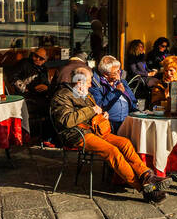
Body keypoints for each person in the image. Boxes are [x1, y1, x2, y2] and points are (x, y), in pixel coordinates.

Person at [51, 69, 164, 202]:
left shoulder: (83, 93)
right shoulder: (62, 96)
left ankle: (146, 175)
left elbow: (94, 112)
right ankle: (145, 188)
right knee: (112, 151)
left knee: (125, 143)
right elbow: (66, 120)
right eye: (88, 82)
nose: (90, 85)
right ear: (79, 82)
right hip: (76, 134)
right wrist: (92, 110)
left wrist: (102, 115)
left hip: (95, 130)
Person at [90, 56, 137, 129]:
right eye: (116, 72)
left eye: (119, 70)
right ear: (105, 74)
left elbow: (132, 99)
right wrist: (116, 92)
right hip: (110, 124)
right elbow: (100, 106)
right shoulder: (96, 85)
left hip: (128, 121)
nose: (119, 73)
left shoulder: (121, 81)